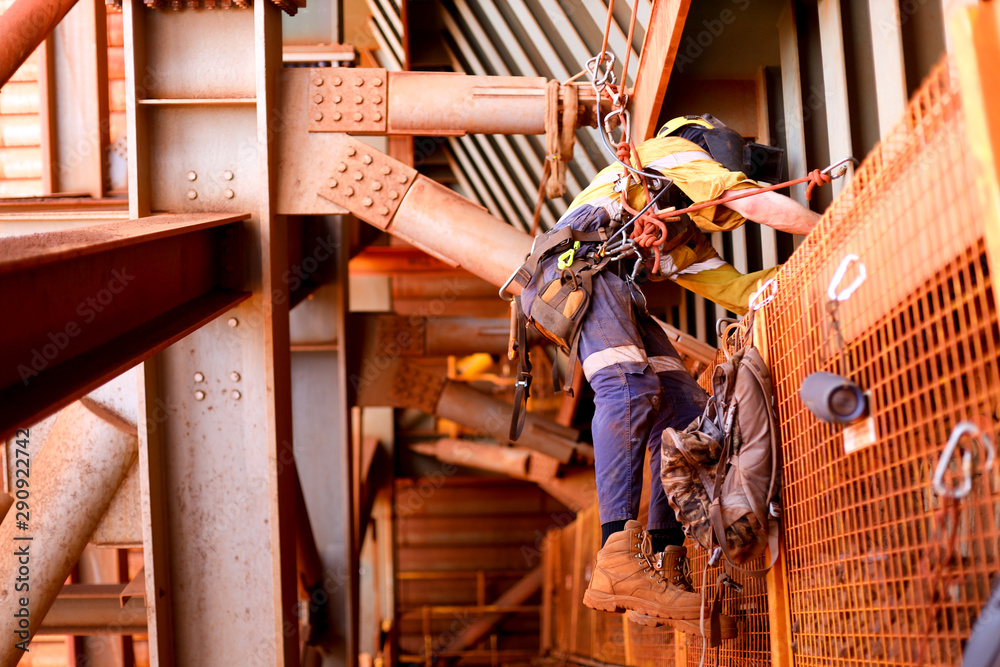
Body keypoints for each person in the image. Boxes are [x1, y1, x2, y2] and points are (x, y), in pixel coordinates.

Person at [517, 115, 821, 636]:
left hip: (610, 284)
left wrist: (808, 267)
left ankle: (664, 560)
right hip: (576, 268)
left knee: (685, 415)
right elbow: (750, 201)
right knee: (629, 389)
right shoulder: (670, 152)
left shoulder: (679, 238)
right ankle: (617, 559)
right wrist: (830, 228)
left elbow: (741, 291)